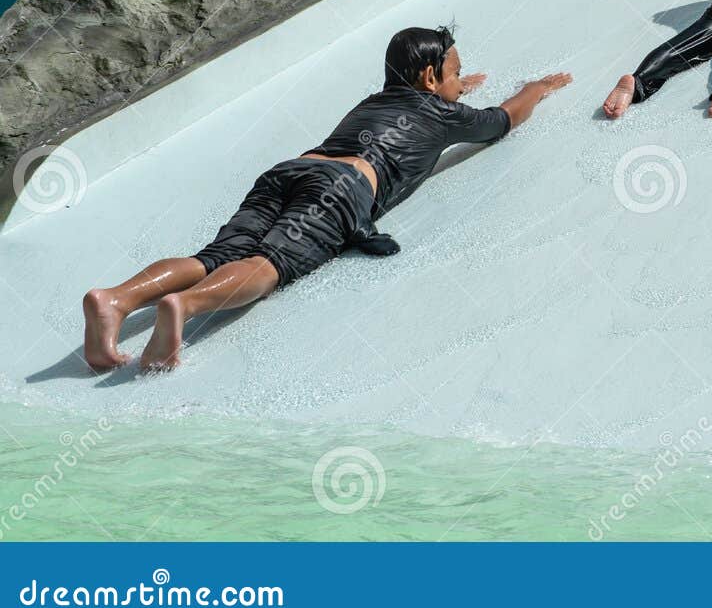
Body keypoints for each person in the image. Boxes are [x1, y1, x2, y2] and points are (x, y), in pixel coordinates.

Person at [81, 27, 572, 372]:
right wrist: (534, 89)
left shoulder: (374, 101)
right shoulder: (445, 114)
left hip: (289, 172)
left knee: (214, 256)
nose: (460, 86)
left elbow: (427, 98)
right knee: (269, 264)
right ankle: (185, 306)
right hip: (340, 189)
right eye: (455, 74)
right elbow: (502, 120)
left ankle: (117, 299)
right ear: (429, 78)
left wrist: (456, 85)